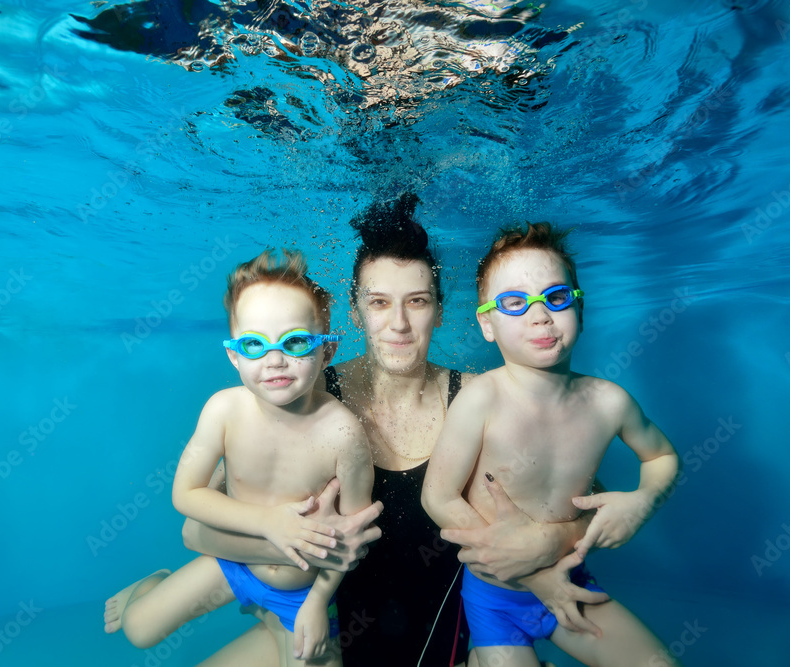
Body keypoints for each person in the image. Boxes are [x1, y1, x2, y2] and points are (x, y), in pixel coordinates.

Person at [184, 195, 602, 666]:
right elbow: (198, 532)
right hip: (324, 642)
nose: (398, 324)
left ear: (440, 311)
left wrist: (552, 542)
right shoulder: (306, 398)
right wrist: (289, 540)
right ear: (355, 311)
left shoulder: (483, 398)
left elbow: (586, 498)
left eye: (417, 302)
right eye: (379, 303)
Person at [422, 222, 682, 667]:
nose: (540, 315)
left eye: (556, 297)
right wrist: (525, 566)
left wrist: (643, 501)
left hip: (572, 581)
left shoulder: (609, 402)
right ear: (487, 323)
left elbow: (662, 455)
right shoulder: (481, 398)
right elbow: (438, 496)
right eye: (515, 302)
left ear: (580, 309)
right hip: (496, 596)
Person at [104, 249, 374, 665]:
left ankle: (273, 630)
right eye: (254, 344)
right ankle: (153, 585)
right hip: (233, 564)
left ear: (327, 351)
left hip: (298, 593)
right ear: (233, 354)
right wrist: (269, 522)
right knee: (138, 631)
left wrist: (319, 601)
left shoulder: (344, 434)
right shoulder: (223, 411)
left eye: (296, 341)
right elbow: (185, 494)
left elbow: (352, 540)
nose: (274, 360)